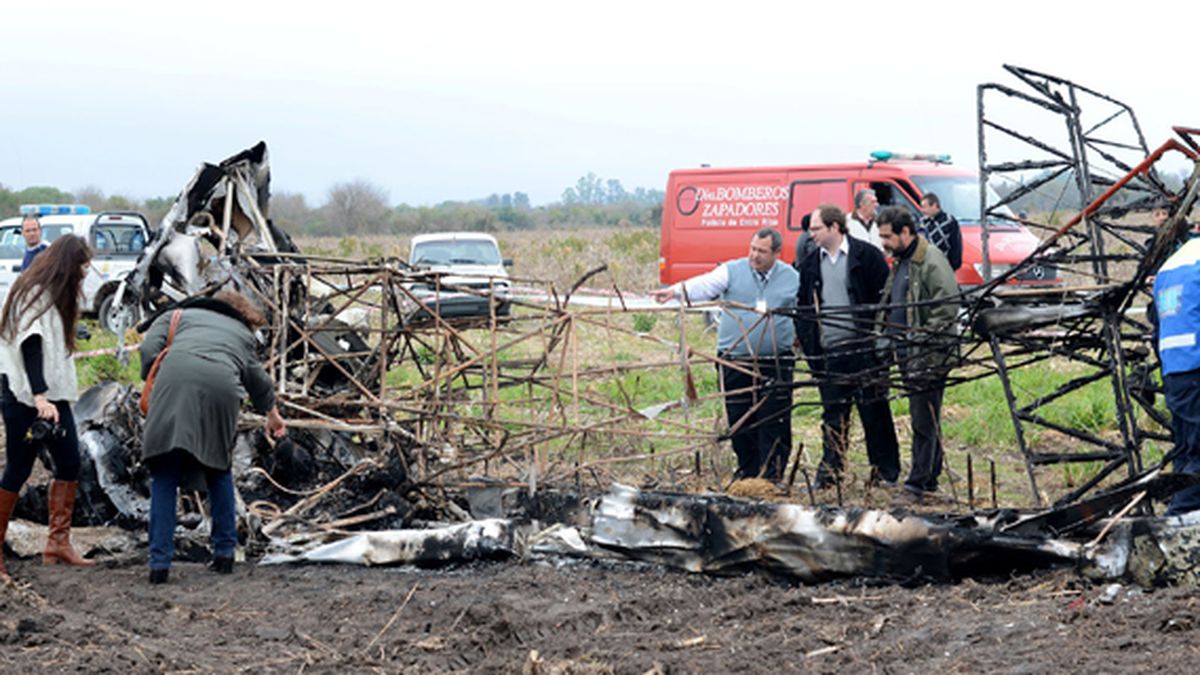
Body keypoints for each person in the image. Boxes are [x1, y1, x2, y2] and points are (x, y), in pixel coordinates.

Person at [140, 290, 286, 584]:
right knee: (219, 469)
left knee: (165, 474)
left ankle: (159, 564)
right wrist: (272, 414)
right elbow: (257, 380)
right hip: (222, 392)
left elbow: (147, 351)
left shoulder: (176, 316)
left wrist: (157, 373)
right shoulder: (241, 333)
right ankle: (224, 554)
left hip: (175, 383)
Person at [650, 228, 799, 481]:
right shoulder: (732, 270)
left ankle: (771, 478)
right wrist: (675, 292)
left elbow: (804, 310)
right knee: (740, 419)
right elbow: (705, 284)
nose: (754, 255)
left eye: (761, 251)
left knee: (774, 420)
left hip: (776, 362)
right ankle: (748, 474)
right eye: (752, 248)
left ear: (777, 253)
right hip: (735, 360)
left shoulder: (792, 277)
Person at [0, 235, 96, 578]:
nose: (84, 275)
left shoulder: (55, 295)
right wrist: (39, 396)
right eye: (81, 268)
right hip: (23, 393)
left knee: (70, 460)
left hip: (53, 395)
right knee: (19, 467)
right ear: (66, 266)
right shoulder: (33, 293)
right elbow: (31, 345)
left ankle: (57, 543)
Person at [795, 205, 900, 488]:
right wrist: (813, 354)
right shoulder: (809, 265)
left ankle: (885, 472)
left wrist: (881, 346)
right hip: (830, 352)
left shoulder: (867, 256)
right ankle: (830, 474)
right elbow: (803, 312)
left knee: (875, 412)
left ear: (834, 227)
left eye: (816, 228)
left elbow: (886, 303)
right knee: (833, 416)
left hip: (865, 351)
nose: (811, 234)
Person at [876, 207, 959, 499]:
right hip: (907, 352)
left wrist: (922, 343)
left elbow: (947, 306)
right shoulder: (902, 260)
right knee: (924, 415)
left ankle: (918, 482)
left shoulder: (930, 259)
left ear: (906, 232)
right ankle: (928, 477)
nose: (884, 242)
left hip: (926, 354)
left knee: (924, 418)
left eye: (888, 236)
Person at [1153, 236, 1200, 515]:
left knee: (1186, 453)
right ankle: (1176, 523)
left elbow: (1155, 320)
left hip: (1176, 371)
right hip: (1196, 365)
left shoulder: (1171, 265)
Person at [918, 193, 963, 271]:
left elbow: (956, 245)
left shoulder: (949, 221)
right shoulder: (923, 222)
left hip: (945, 266)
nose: (923, 211)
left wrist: (952, 266)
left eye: (925, 207)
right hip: (927, 266)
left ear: (935, 205)